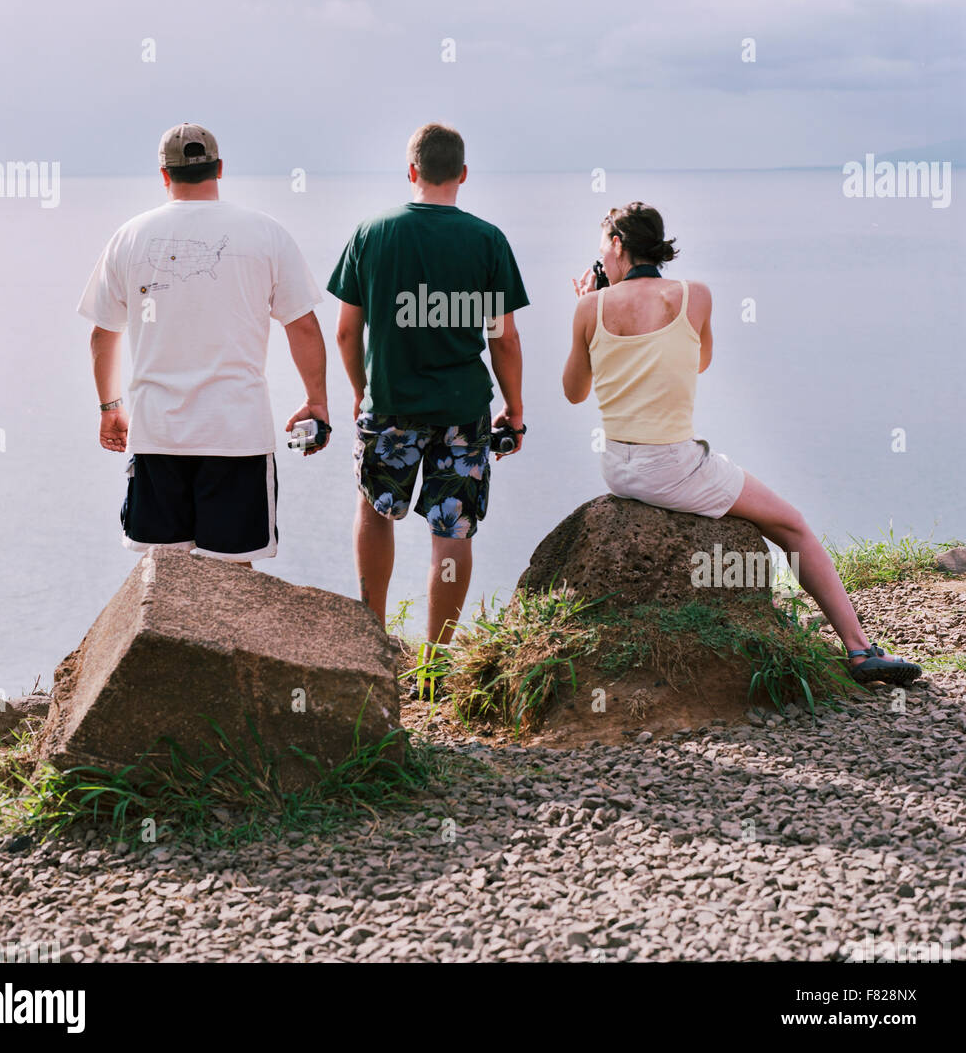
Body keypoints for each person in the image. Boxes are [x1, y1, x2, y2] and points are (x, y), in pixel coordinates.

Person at [562, 201, 921, 686]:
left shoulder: (590, 307)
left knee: (749, 495)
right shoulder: (696, 296)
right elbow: (698, 362)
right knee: (792, 526)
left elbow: (574, 391)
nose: (601, 257)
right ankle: (859, 651)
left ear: (619, 245)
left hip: (618, 468)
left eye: (603, 246)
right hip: (671, 468)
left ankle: (859, 649)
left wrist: (592, 306)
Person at [328, 123, 529, 678]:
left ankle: (373, 642)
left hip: (389, 403)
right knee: (452, 529)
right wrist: (515, 407)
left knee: (375, 510)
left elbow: (347, 332)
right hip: (463, 411)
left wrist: (359, 391)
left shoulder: (371, 234)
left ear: (411, 171)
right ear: (463, 174)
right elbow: (502, 338)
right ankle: (436, 664)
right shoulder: (487, 240)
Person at [78, 123, 329, 564]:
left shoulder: (130, 236)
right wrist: (316, 401)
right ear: (219, 168)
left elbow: (103, 333)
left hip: (157, 434)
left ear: (163, 174)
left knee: (163, 579)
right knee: (234, 575)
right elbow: (303, 325)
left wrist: (109, 409)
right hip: (237, 434)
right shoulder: (265, 232)